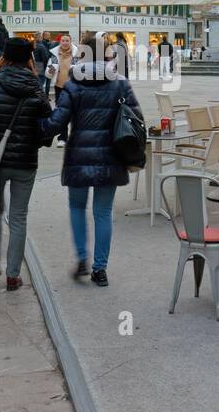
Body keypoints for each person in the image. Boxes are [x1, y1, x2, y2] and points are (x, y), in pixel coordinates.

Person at [42, 32, 143, 287]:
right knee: (103, 212)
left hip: (79, 155)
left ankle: (82, 257)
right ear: (107, 54)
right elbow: (136, 119)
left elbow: (57, 123)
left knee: (77, 207)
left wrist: (37, 124)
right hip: (111, 155)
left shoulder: (73, 84)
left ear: (81, 54)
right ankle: (101, 268)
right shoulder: (120, 83)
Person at [0, 37, 52, 291]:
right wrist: (37, 142)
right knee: (18, 217)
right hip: (24, 160)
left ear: (4, 57)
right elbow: (47, 126)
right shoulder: (36, 89)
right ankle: (13, 275)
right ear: (29, 59)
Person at [46, 33, 76, 147]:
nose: (64, 42)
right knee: (62, 114)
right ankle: (62, 138)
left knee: (75, 113)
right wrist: (50, 71)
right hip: (59, 88)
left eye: (67, 40)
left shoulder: (77, 55)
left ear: (70, 41)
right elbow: (47, 75)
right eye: (63, 40)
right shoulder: (54, 54)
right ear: (60, 42)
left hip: (73, 88)